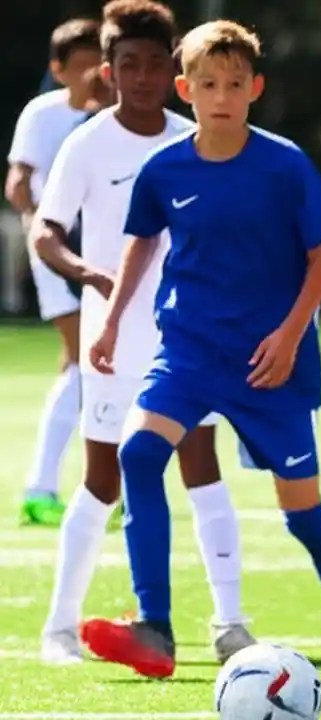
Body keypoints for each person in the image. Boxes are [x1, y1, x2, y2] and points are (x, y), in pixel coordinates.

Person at [78, 18, 321, 679]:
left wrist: (288, 334)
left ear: (256, 88)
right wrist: (108, 322)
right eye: (209, 83)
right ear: (185, 89)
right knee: (137, 454)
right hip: (188, 353)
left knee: (302, 513)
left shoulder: (285, 165)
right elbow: (140, 243)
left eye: (236, 83)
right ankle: (155, 630)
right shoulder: (164, 170)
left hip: (269, 366)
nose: (223, 95)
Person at [27, 0, 253, 668]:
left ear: (175, 72)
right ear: (108, 71)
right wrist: (84, 272)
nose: (145, 76)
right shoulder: (86, 143)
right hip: (111, 341)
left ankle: (230, 625)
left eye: (158, 64)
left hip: (190, 342)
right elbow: (45, 228)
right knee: (104, 479)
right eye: (131, 64)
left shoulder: (198, 138)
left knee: (201, 469)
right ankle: (59, 628)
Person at [7, 18, 104, 527]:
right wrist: (42, 225)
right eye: (81, 63)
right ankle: (46, 486)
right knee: (82, 362)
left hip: (108, 251)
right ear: (58, 70)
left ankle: (84, 486)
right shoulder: (43, 115)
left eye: (98, 60)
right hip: (59, 251)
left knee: (93, 366)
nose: (92, 72)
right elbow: (17, 180)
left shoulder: (115, 114)